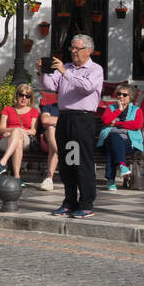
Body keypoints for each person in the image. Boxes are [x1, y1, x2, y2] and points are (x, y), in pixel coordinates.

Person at [39, 33, 104, 218]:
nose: (73, 52)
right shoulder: (66, 68)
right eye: (72, 48)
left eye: (77, 48)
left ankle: (86, 203)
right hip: (65, 117)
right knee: (67, 161)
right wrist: (42, 71)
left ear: (88, 50)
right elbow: (50, 86)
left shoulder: (95, 70)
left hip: (82, 119)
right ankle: (69, 201)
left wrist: (65, 73)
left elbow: (87, 88)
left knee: (81, 161)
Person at [98, 85, 144, 191]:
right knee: (114, 138)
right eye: (119, 94)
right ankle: (122, 166)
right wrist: (118, 110)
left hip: (129, 142)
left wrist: (116, 123)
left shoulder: (137, 110)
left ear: (130, 97)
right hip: (109, 140)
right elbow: (106, 121)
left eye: (124, 94)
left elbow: (136, 125)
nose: (121, 96)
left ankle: (111, 180)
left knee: (112, 147)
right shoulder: (111, 108)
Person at [0, 84, 39, 180]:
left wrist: (17, 131)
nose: (24, 98)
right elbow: (1, 129)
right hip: (6, 140)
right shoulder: (7, 109)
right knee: (18, 142)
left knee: (17, 134)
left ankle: (3, 162)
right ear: (16, 95)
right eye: (21, 95)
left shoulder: (34, 111)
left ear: (30, 98)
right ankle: (17, 177)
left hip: (26, 140)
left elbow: (33, 131)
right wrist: (14, 132)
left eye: (27, 96)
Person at [36, 101, 59, 191]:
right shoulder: (49, 107)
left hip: (67, 140)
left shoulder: (72, 108)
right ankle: (49, 178)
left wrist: (54, 121)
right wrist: (65, 121)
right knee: (51, 129)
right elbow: (45, 120)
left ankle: (49, 179)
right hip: (48, 140)